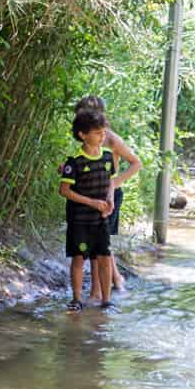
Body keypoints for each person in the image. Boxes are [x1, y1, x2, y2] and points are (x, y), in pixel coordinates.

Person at [73, 95, 142, 293]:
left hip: (110, 196)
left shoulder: (111, 139)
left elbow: (136, 163)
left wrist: (115, 182)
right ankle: (116, 281)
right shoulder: (87, 137)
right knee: (100, 243)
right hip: (93, 195)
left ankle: (100, 292)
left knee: (99, 246)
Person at [59, 108, 115, 311]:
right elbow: (64, 190)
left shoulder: (108, 156)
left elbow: (111, 181)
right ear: (82, 134)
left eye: (104, 132)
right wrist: (92, 202)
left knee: (104, 257)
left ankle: (106, 301)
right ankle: (76, 299)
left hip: (101, 218)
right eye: (98, 132)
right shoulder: (74, 161)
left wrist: (110, 199)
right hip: (79, 219)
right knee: (78, 258)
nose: (103, 136)